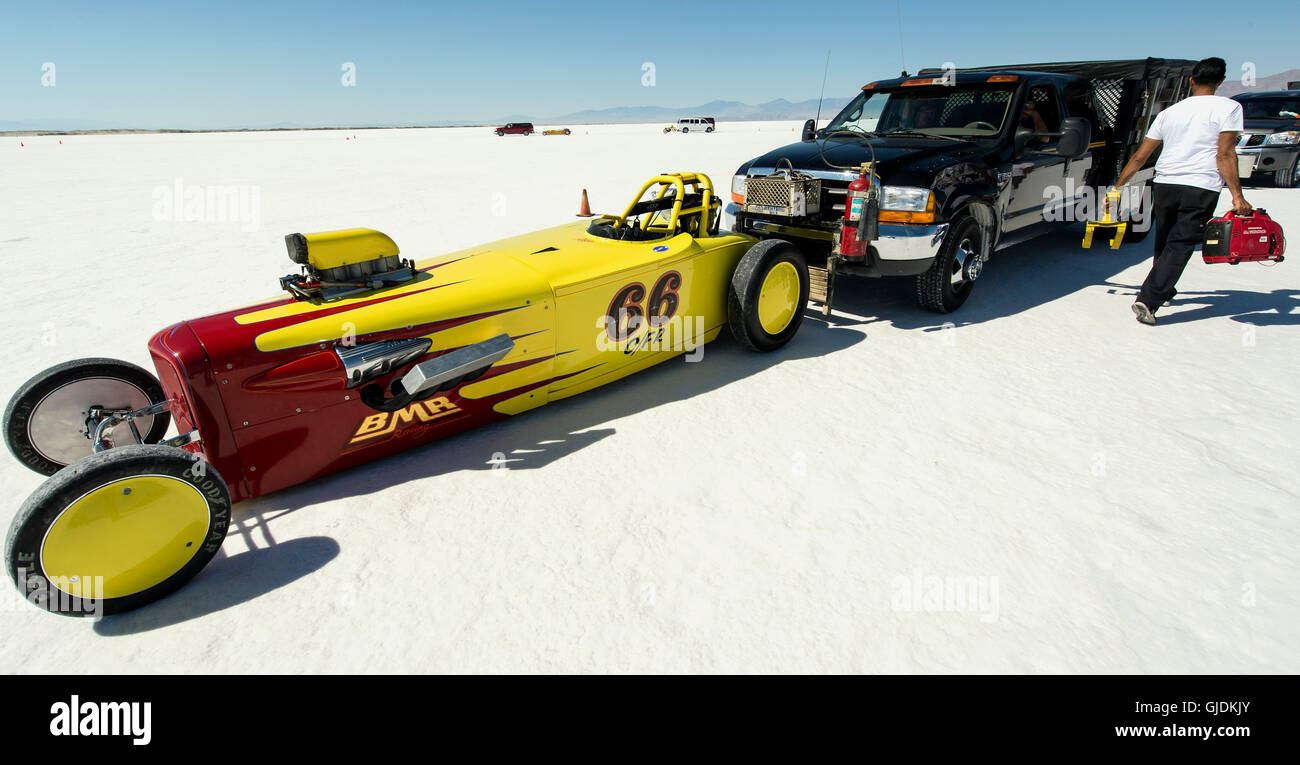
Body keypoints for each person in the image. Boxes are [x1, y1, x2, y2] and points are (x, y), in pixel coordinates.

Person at [1113, 57, 1252, 326]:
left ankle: (1164, 289)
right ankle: (1149, 299)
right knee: (1181, 244)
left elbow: (1141, 156)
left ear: (1191, 80)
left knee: (1164, 239)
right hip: (1200, 186)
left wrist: (1119, 184)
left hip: (1165, 183)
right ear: (1220, 81)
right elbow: (1225, 154)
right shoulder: (1229, 108)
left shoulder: (1169, 113)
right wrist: (1237, 195)